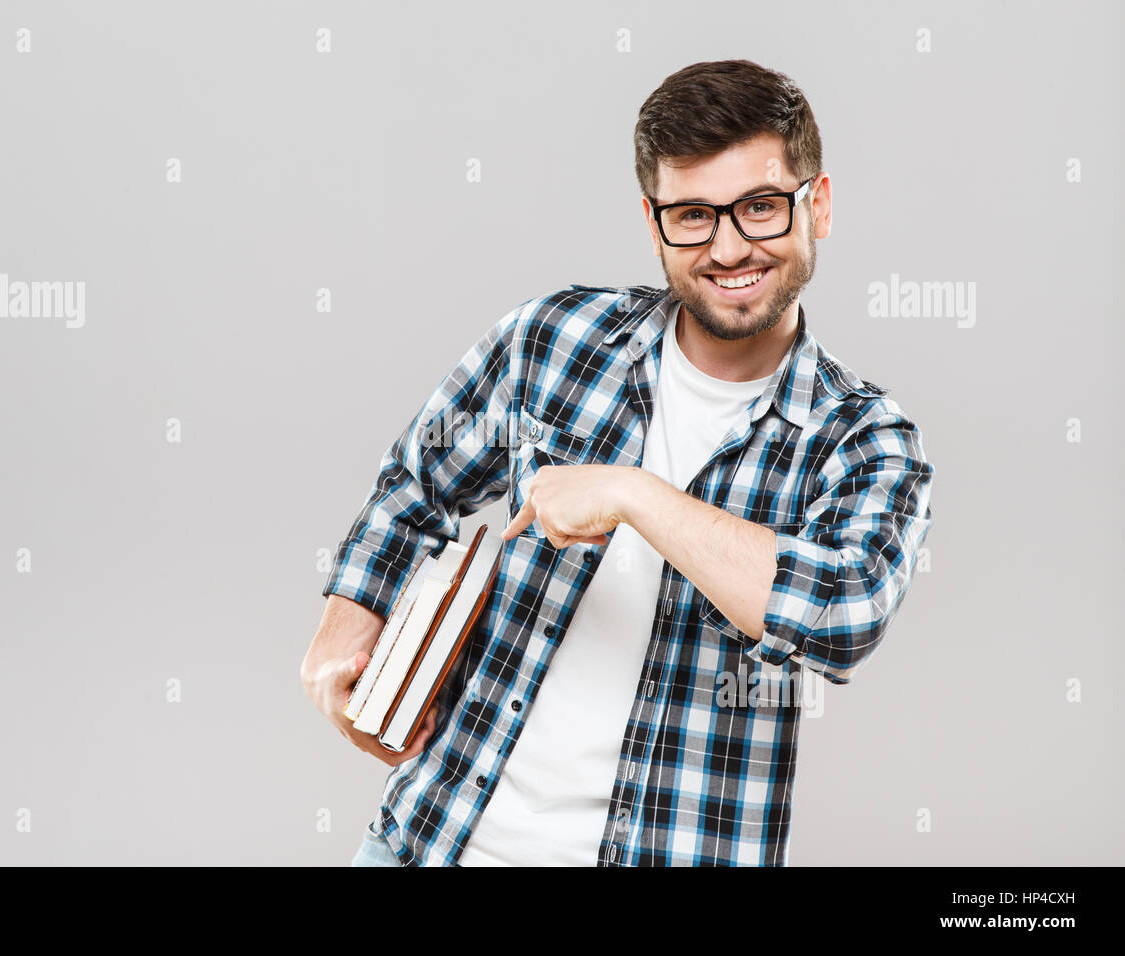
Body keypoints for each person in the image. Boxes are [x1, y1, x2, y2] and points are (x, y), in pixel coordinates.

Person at [301, 59, 935, 867]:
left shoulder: (865, 439)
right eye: (693, 215)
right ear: (652, 221)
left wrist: (637, 495)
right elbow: (414, 486)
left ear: (819, 205)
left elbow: (841, 617)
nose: (729, 247)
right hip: (428, 844)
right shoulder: (553, 339)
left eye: (760, 207)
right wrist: (337, 644)